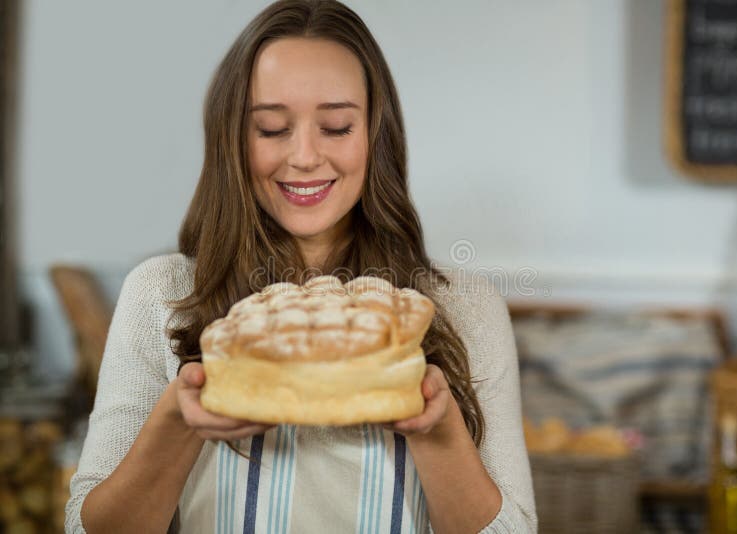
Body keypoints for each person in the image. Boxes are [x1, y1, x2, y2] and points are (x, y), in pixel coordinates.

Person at [65, 1, 537, 532]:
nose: (305, 156)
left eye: (336, 127)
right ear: (233, 139)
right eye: (270, 129)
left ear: (375, 136)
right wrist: (178, 419)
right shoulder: (163, 293)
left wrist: (438, 430)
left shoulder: (464, 307)